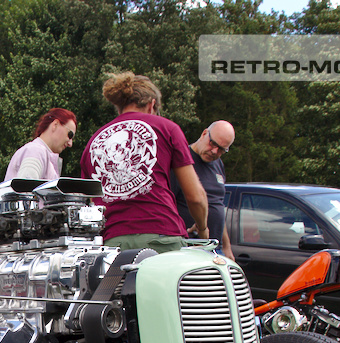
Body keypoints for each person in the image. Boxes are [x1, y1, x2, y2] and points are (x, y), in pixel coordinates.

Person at [80, 72, 208, 253]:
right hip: (161, 234)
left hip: (112, 243)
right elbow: (196, 197)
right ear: (152, 105)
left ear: (120, 108)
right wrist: (202, 228)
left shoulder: (93, 142)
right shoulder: (167, 128)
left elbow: (93, 203)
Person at [173, 120, 235, 259]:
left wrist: (226, 247)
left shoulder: (218, 164)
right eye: (213, 144)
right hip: (188, 248)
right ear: (204, 133)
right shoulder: (182, 160)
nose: (214, 151)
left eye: (221, 150)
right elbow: (167, 205)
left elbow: (218, 205)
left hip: (215, 250)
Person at [4, 108, 78, 181]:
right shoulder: (36, 151)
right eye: (70, 135)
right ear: (55, 125)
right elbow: (25, 189)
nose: (70, 143)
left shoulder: (41, 153)